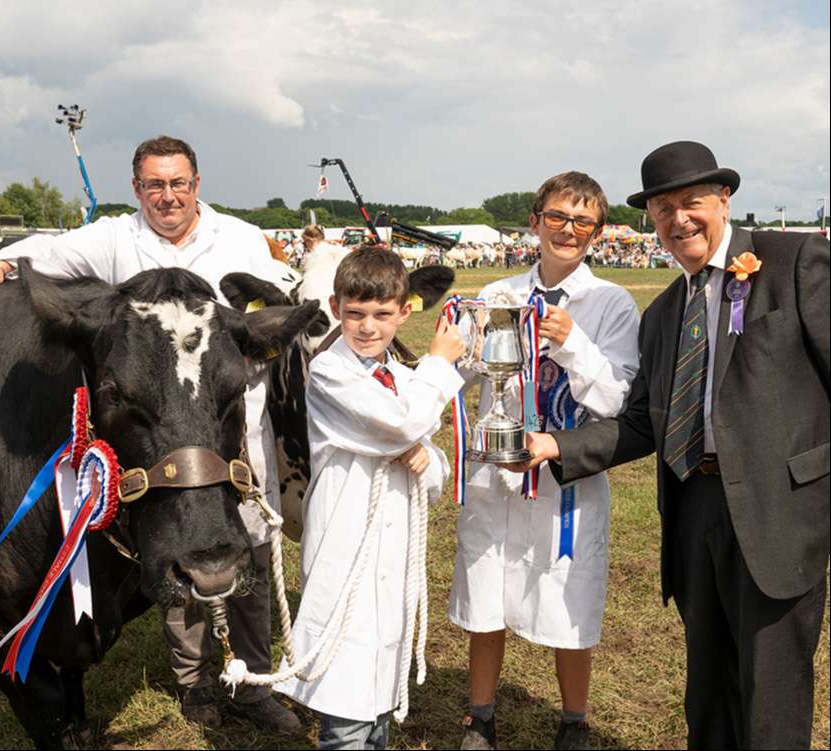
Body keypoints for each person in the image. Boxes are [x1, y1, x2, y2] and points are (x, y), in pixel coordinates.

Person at [0, 135, 301, 734]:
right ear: (137, 190)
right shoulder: (115, 236)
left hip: (227, 431)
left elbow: (284, 307)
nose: (168, 196)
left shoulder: (243, 240)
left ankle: (251, 683)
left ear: (197, 185)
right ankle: (195, 684)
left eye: (179, 183)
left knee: (248, 558)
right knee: (171, 551)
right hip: (155, 439)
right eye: (155, 185)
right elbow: (50, 252)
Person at [526, 141, 830, 749]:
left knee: (771, 695)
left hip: (777, 512)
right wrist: (554, 447)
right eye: (663, 210)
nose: (678, 220)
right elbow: (644, 422)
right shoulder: (664, 312)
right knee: (708, 691)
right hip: (693, 509)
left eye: (691, 202)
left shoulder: (795, 258)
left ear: (723, 200)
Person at [449, 172, 640, 751]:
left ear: (598, 232)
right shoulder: (499, 293)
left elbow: (614, 401)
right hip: (498, 472)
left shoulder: (612, 303)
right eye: (556, 217)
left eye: (582, 221)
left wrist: (573, 341)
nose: (567, 230)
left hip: (565, 477)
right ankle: (480, 717)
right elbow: (458, 374)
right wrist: (462, 344)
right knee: (487, 593)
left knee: (570, 596)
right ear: (535, 222)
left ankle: (574, 722)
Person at [275, 246, 465, 749]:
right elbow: (402, 423)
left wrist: (430, 461)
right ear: (335, 308)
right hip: (347, 551)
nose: (367, 327)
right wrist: (441, 365)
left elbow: (427, 453)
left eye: (382, 314)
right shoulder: (328, 373)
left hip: (393, 555)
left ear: (406, 312)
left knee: (378, 697)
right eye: (355, 314)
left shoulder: (404, 379)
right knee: (346, 711)